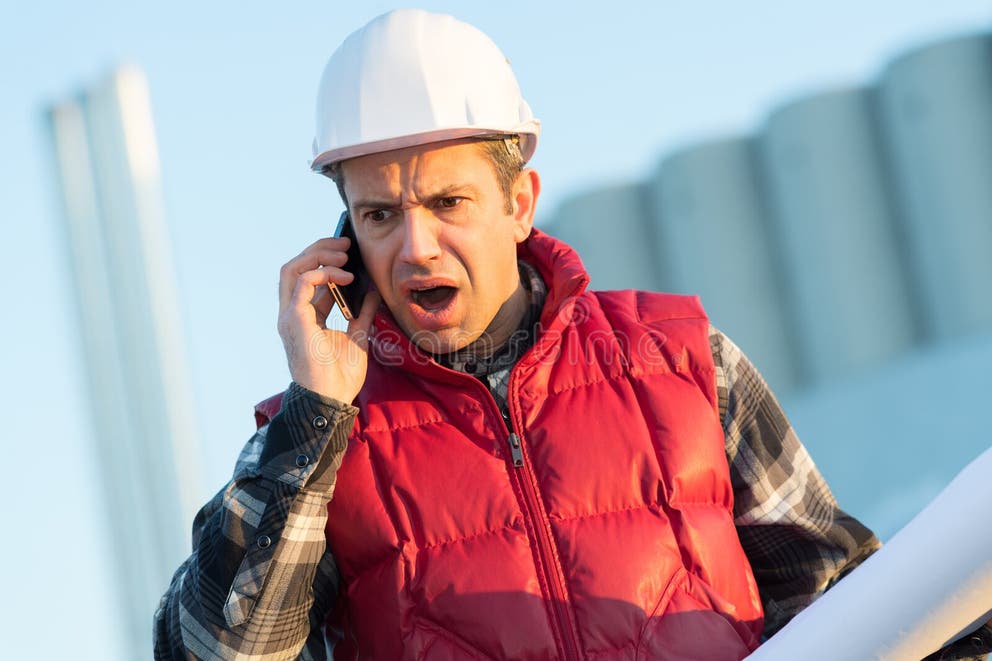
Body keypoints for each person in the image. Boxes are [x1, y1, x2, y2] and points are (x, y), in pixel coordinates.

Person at [153, 9, 987, 660]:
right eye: (379, 214)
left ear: (518, 204)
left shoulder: (682, 358)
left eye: (449, 203)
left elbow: (849, 607)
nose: (415, 247)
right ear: (346, 237)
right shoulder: (312, 447)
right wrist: (313, 420)